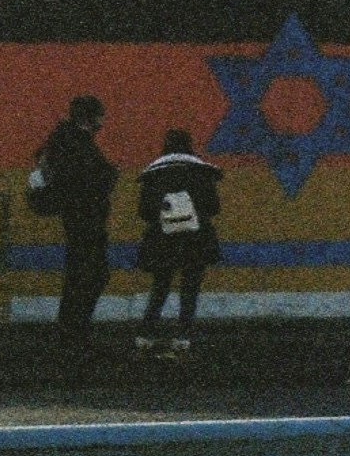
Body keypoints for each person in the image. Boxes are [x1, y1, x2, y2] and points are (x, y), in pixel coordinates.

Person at [31, 94, 121, 347]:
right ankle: (74, 330)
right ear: (89, 118)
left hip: (76, 216)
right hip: (84, 217)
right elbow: (87, 181)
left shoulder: (63, 139)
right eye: (100, 116)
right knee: (91, 274)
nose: (103, 121)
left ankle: (71, 329)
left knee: (80, 274)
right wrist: (110, 175)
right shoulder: (77, 143)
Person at [133, 128, 223, 354]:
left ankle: (146, 334)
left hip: (162, 239)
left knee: (161, 286)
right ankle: (183, 336)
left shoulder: (153, 173)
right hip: (196, 239)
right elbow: (213, 207)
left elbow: (144, 211)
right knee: (190, 288)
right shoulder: (201, 171)